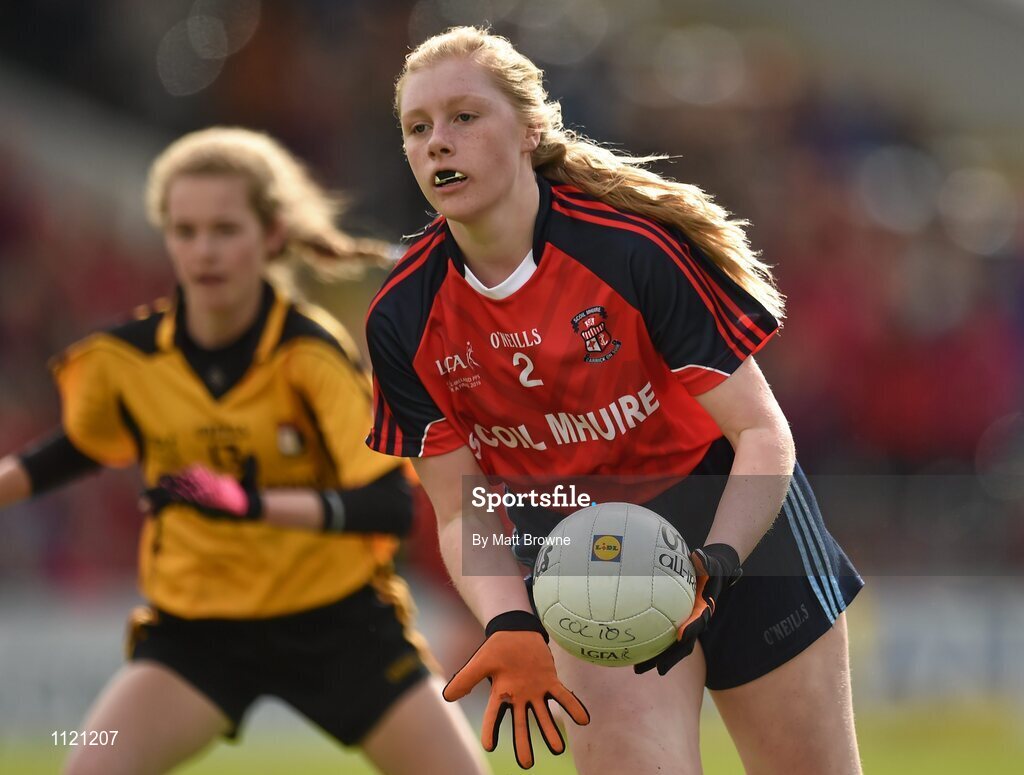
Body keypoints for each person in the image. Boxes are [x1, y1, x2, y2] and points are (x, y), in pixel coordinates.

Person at [366, 26, 864, 774]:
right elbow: (463, 508)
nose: (438, 141)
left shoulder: (630, 252)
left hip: (738, 523)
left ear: (531, 131)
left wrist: (716, 562)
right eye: (418, 127)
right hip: (585, 554)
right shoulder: (403, 317)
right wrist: (508, 622)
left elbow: (762, 433)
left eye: (464, 116)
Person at [0, 127, 487, 775]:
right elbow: (76, 449)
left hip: (341, 626)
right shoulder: (129, 359)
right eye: (186, 230)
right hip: (197, 635)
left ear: (272, 236)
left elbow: (389, 504)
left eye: (225, 230)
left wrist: (248, 503)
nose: (204, 250)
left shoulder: (311, 352)